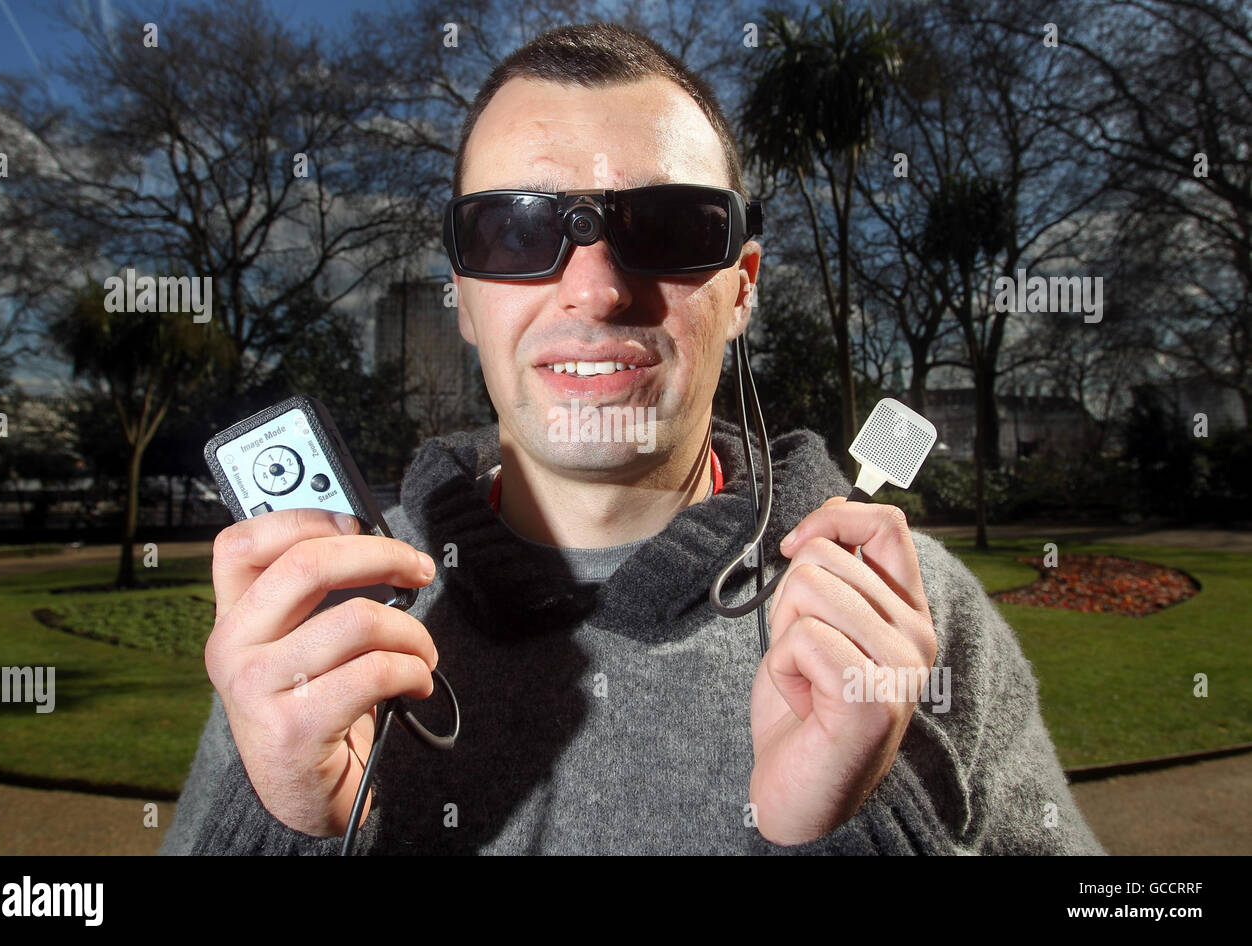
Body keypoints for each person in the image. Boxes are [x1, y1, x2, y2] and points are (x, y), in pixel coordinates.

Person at [161, 22, 1104, 855]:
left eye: (666, 226)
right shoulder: (321, 618)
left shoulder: (918, 611)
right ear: (463, 297)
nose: (596, 289)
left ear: (743, 286)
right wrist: (290, 828)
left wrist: (851, 826)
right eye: (514, 231)